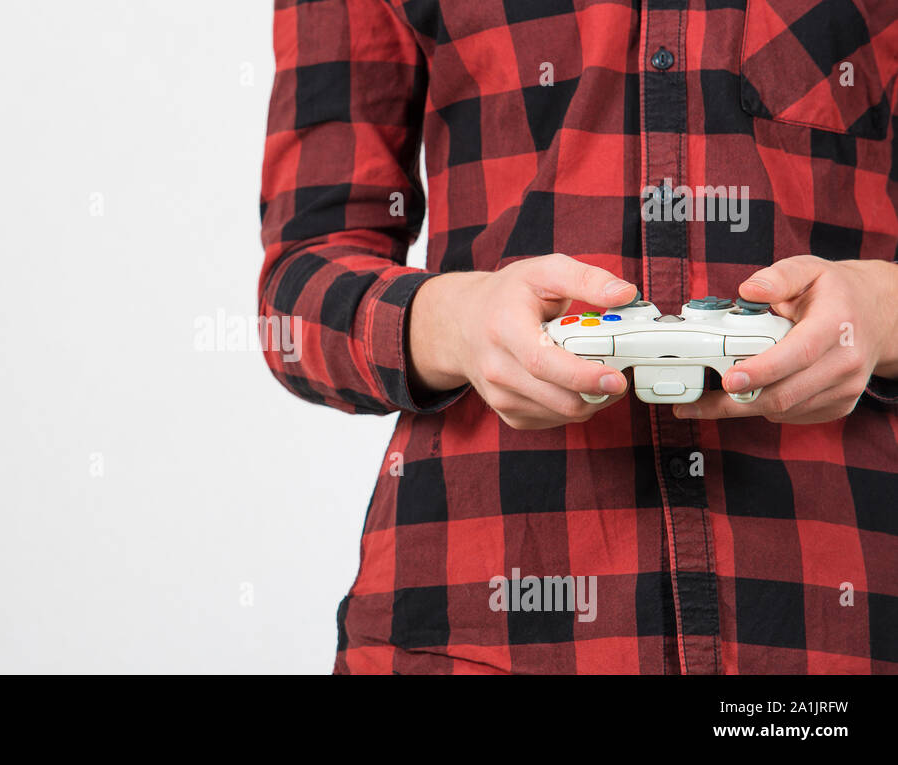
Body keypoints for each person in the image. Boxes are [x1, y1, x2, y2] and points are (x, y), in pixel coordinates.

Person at [257, 0, 898, 674]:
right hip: (481, 618)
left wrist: (879, 315)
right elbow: (294, 295)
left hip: (837, 619)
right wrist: (459, 322)